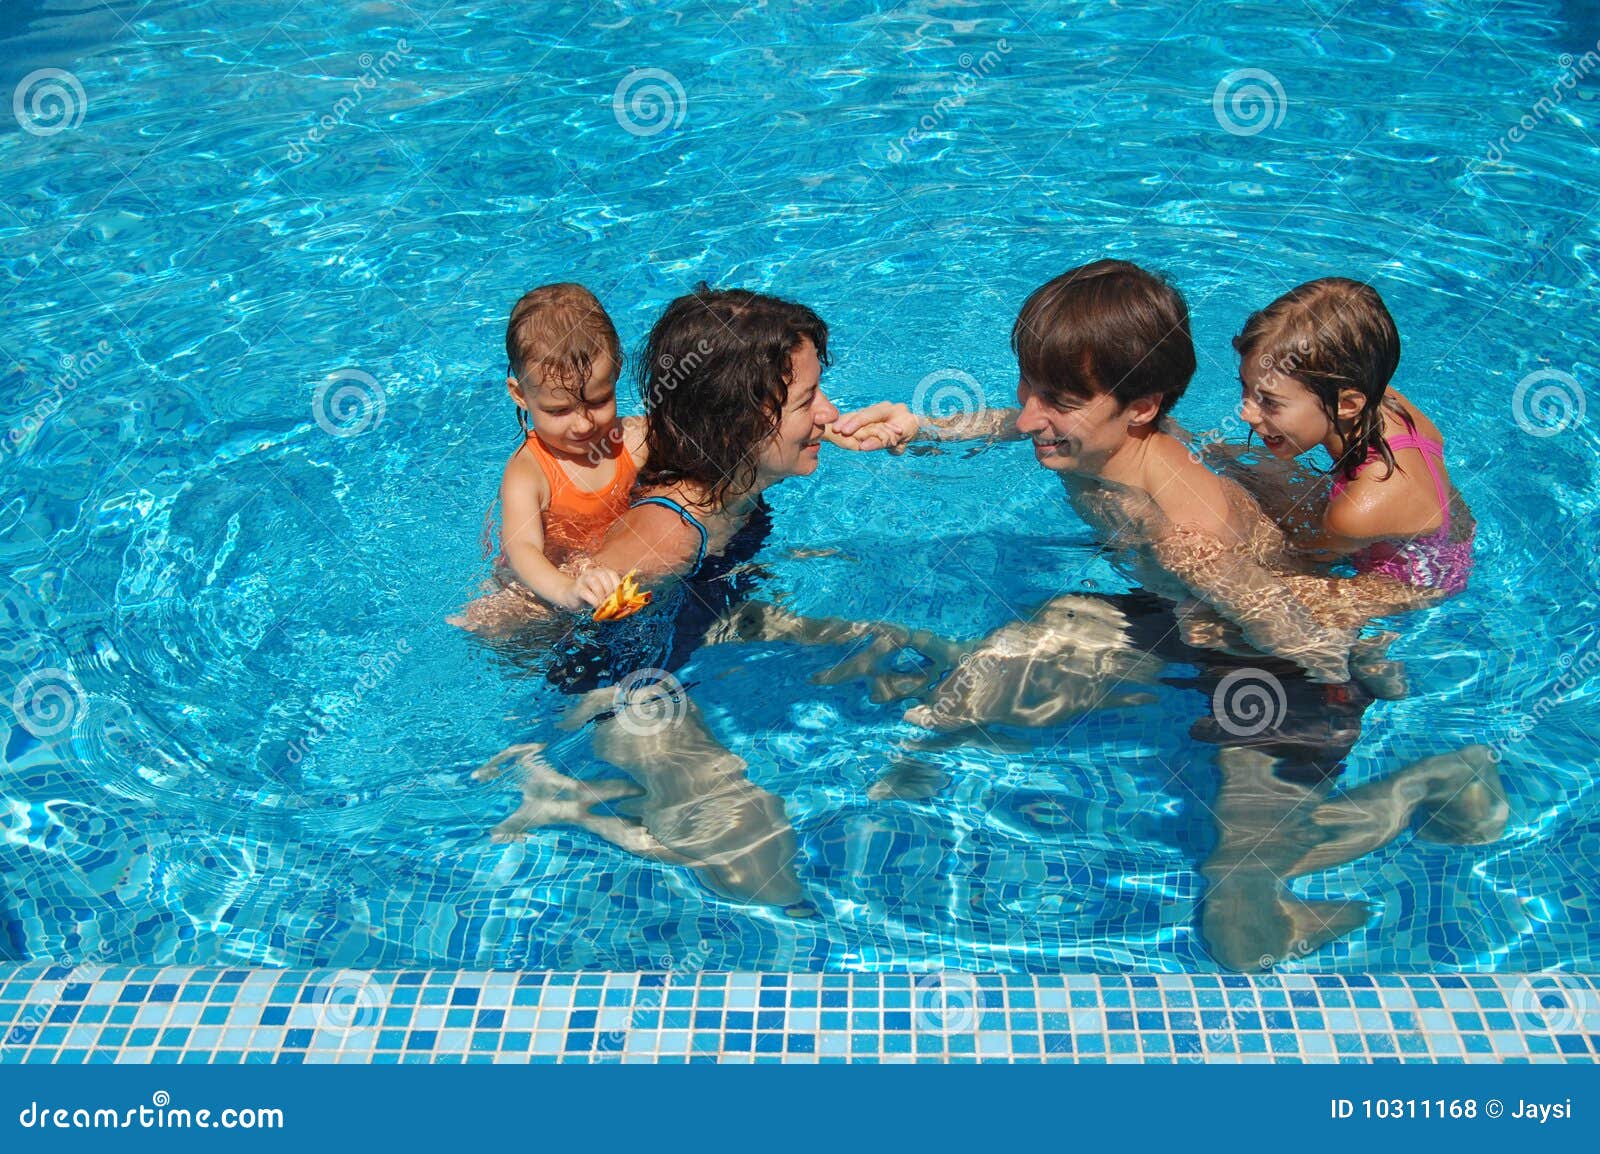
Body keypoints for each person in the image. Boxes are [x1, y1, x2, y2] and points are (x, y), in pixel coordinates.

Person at [453, 283, 644, 633]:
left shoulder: (633, 440)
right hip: (551, 582)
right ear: (520, 394)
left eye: (600, 401)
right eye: (560, 410)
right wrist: (567, 591)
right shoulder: (529, 473)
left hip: (611, 569)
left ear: (616, 371)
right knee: (492, 624)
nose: (584, 423)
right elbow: (523, 548)